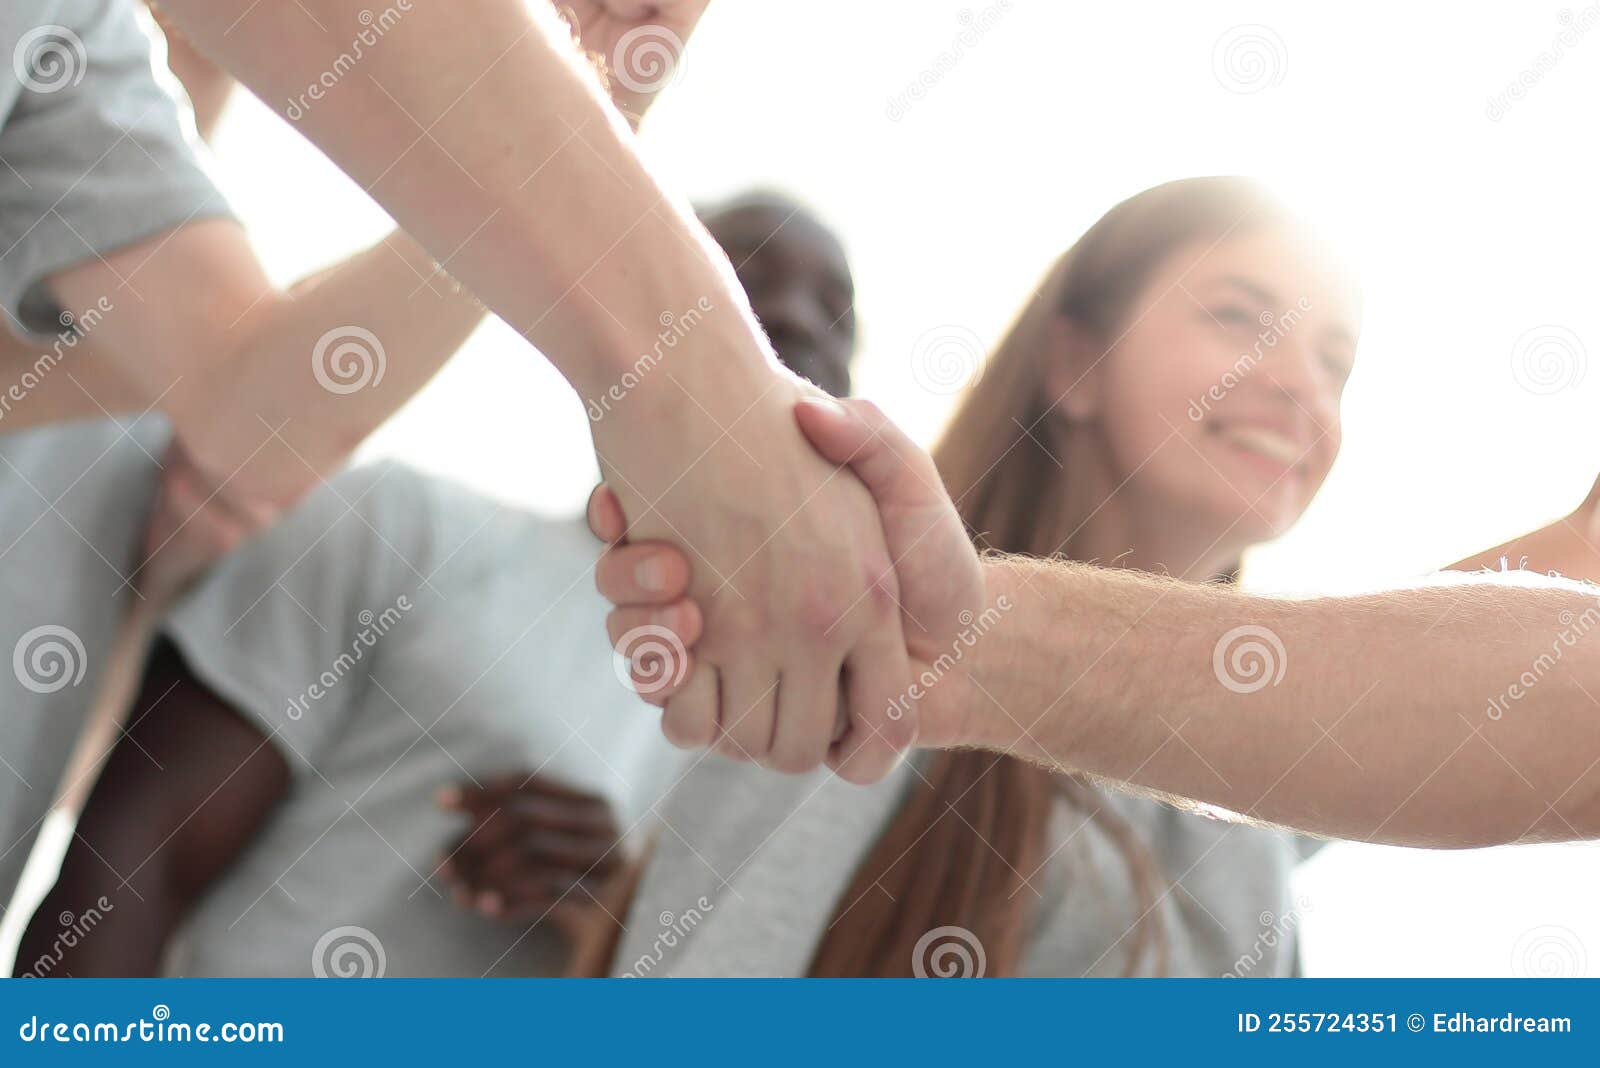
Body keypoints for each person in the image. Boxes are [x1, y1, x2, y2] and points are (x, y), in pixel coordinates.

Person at [13, 190, 859, 977]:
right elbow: (132, 866)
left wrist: (620, 919)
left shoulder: (837, 761)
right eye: (742, 277)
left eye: (834, 314)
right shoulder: (399, 524)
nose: (789, 317)